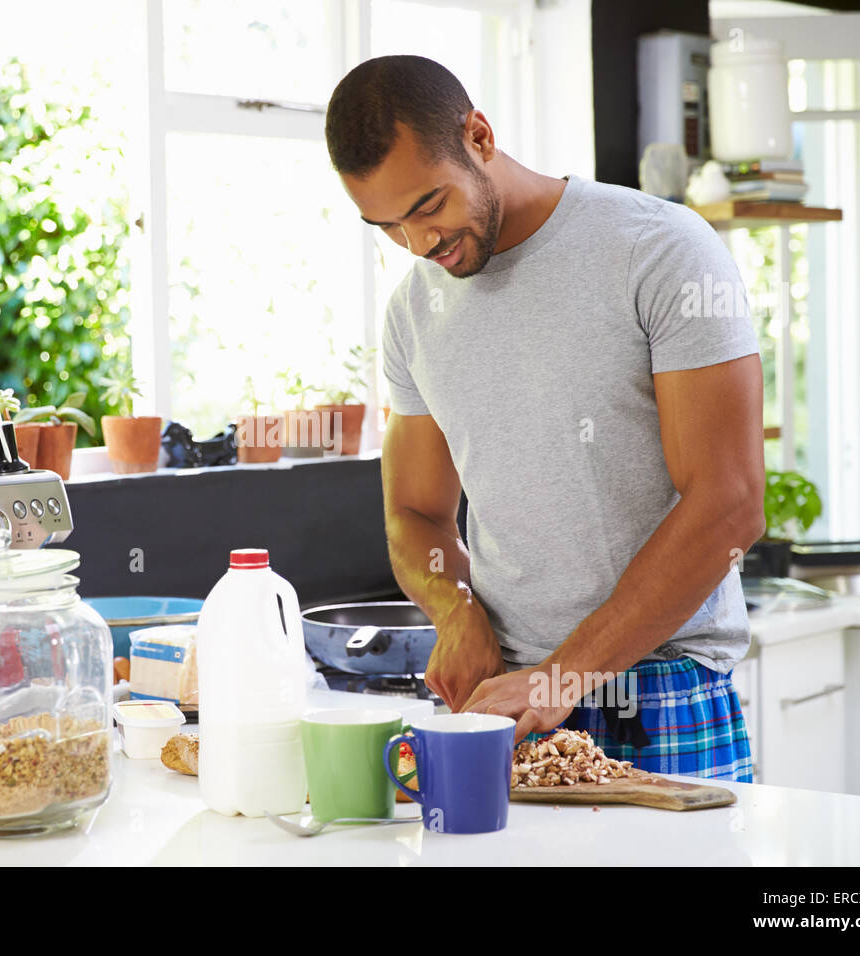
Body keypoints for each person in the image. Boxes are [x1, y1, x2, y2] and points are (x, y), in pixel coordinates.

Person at [324, 55, 764, 780]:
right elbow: (413, 511)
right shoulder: (412, 313)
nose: (418, 245)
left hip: (657, 693)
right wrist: (457, 607)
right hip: (511, 704)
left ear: (480, 136)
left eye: (429, 206)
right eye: (388, 226)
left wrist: (564, 676)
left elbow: (731, 503)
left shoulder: (658, 250)